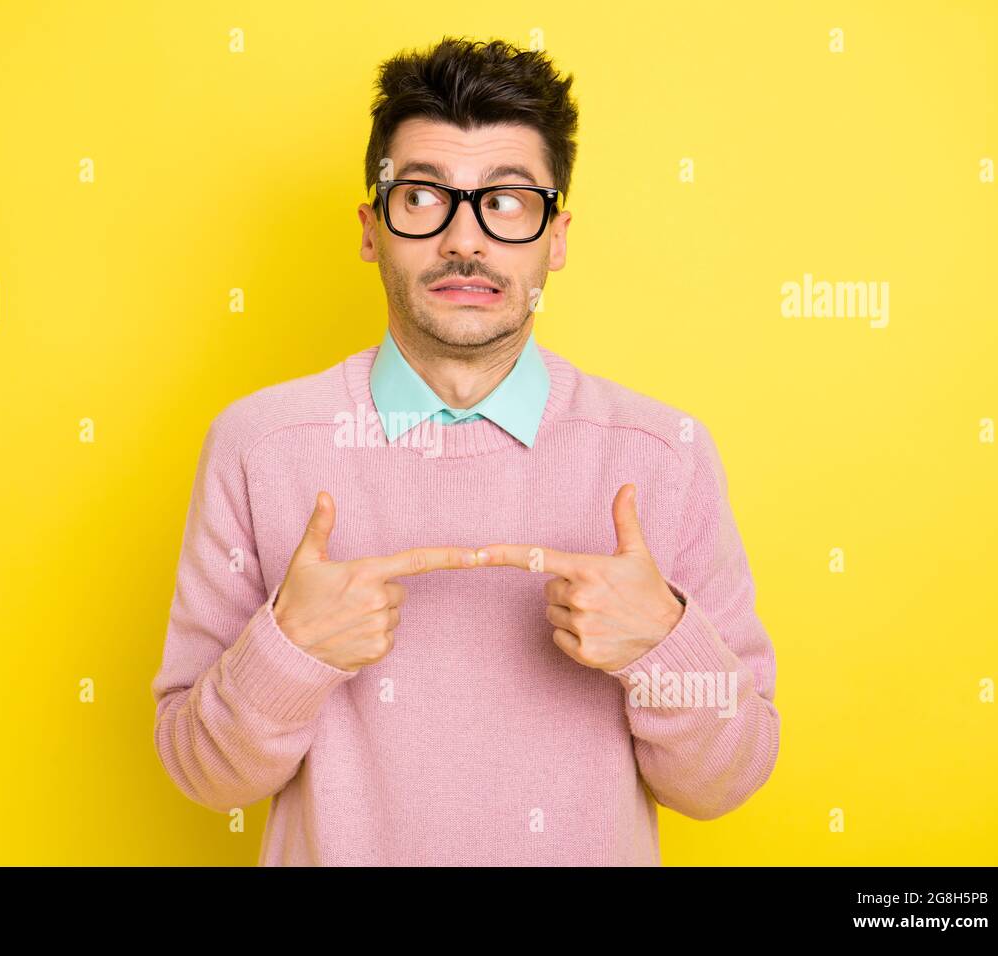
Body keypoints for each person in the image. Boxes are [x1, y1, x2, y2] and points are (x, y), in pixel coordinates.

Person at [151, 36, 779, 865]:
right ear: (373, 229)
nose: (465, 241)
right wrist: (288, 650)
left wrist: (662, 646)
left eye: (507, 203)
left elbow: (727, 781)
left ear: (554, 237)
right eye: (423, 198)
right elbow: (203, 776)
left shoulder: (665, 453)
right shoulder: (259, 446)